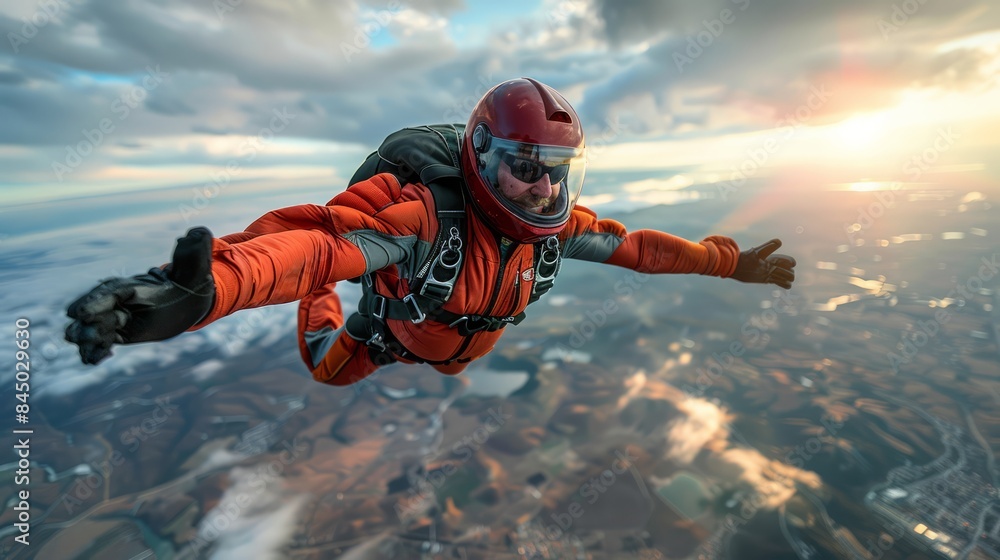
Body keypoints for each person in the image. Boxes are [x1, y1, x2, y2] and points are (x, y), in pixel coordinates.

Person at [65, 78, 796, 386]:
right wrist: (204, 293)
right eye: (523, 166)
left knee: (451, 361)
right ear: (480, 156)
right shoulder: (423, 217)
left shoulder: (553, 228)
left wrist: (730, 264)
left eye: (556, 169)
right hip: (392, 333)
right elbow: (315, 242)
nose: (544, 186)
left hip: (456, 351)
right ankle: (323, 306)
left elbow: (638, 248)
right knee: (327, 367)